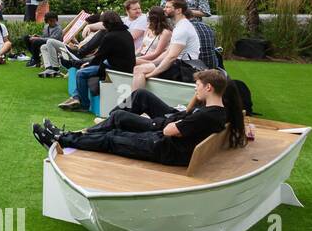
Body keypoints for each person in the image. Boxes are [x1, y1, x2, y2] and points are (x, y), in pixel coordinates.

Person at [34, 69, 245, 166]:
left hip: (163, 148)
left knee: (112, 136)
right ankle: (67, 136)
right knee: (117, 126)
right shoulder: (219, 111)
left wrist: (178, 122)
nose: (195, 91)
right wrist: (184, 117)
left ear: (209, 88)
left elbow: (168, 130)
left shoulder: (207, 115)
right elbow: (182, 123)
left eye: (197, 87)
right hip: (165, 144)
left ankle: (61, 139)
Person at [57, 10, 137, 111]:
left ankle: (84, 104)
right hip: (125, 66)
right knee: (87, 66)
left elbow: (100, 56)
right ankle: (76, 97)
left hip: (116, 68)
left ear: (106, 23)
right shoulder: (126, 33)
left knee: (81, 73)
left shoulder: (110, 36)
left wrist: (88, 65)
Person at [132, 0, 205, 86]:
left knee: (138, 70)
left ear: (178, 10)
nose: (164, 9)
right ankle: (139, 97)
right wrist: (153, 63)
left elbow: (172, 57)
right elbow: (168, 52)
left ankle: (137, 98)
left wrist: (152, 73)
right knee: (138, 67)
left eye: (167, 7)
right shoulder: (179, 26)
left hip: (184, 66)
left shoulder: (182, 29)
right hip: (178, 63)